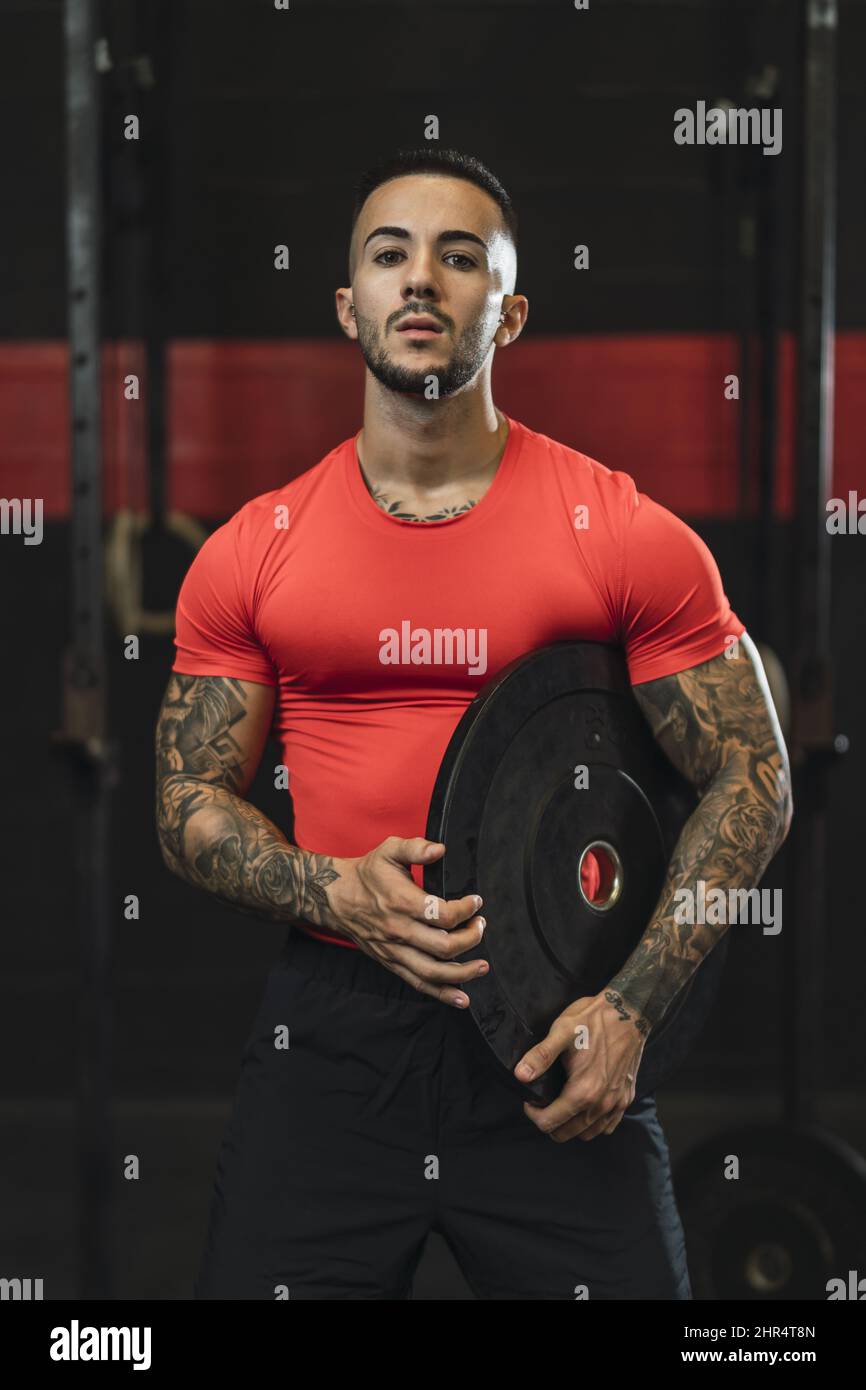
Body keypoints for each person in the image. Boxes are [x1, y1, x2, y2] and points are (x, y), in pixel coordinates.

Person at [155, 148, 792, 1300]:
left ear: (508, 314)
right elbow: (185, 803)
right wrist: (328, 887)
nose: (421, 281)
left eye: (460, 259)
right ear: (348, 303)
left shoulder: (619, 530)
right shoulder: (256, 549)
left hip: (559, 1025)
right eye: (390, 254)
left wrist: (631, 1009)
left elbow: (754, 773)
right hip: (335, 1038)